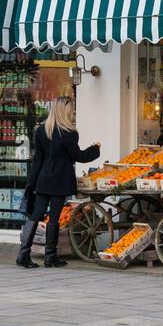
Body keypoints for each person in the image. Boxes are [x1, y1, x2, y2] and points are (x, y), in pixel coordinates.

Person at [18, 96, 100, 269]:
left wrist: (31, 183)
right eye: (71, 110)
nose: (73, 113)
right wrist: (95, 149)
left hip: (42, 180)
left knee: (35, 215)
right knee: (54, 218)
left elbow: (37, 160)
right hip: (59, 181)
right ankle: (50, 257)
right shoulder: (69, 133)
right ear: (66, 111)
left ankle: (23, 254)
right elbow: (79, 156)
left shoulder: (41, 130)